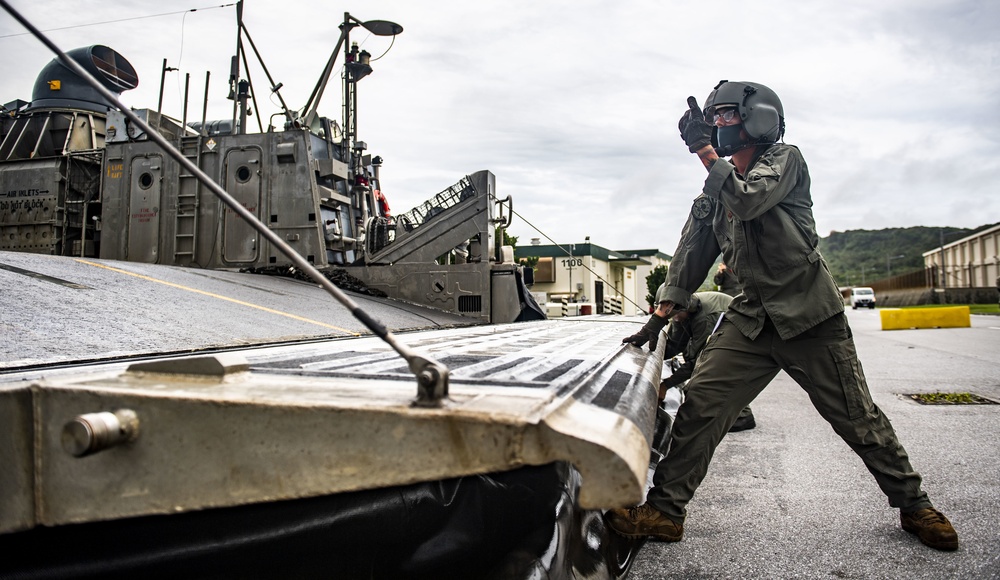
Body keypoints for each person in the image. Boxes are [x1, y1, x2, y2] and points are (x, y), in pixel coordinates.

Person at [609, 81, 958, 551]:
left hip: (810, 316)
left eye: (727, 115)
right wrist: (658, 319)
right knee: (701, 408)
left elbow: (749, 199)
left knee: (857, 418)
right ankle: (664, 512)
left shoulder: (784, 161)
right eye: (713, 118)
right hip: (751, 319)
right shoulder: (716, 189)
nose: (718, 124)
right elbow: (690, 255)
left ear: (759, 117)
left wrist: (704, 152)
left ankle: (915, 505)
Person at [631, 288, 755, 431]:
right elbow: (675, 345)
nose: (673, 318)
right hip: (724, 331)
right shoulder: (681, 315)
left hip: (742, 336)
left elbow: (700, 360)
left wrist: (665, 385)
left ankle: (743, 416)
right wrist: (646, 357)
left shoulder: (705, 318)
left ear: (683, 307)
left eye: (672, 313)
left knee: (714, 372)